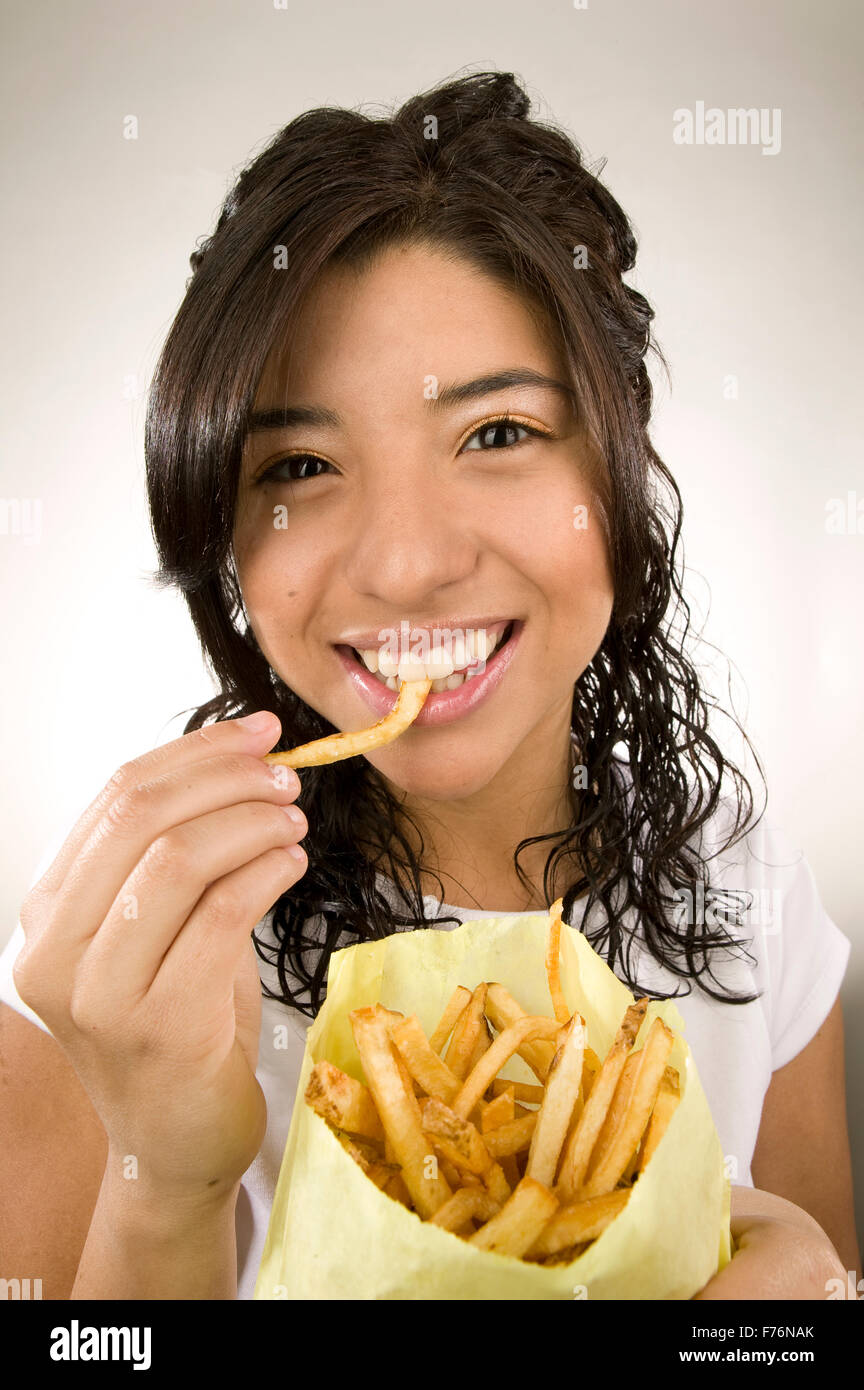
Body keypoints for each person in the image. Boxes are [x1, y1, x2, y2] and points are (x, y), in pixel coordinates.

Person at [0, 70, 858, 1301]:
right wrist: (164, 1183)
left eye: (497, 434)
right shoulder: (114, 957)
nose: (407, 563)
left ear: (620, 467)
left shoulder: (747, 883)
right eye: (301, 461)